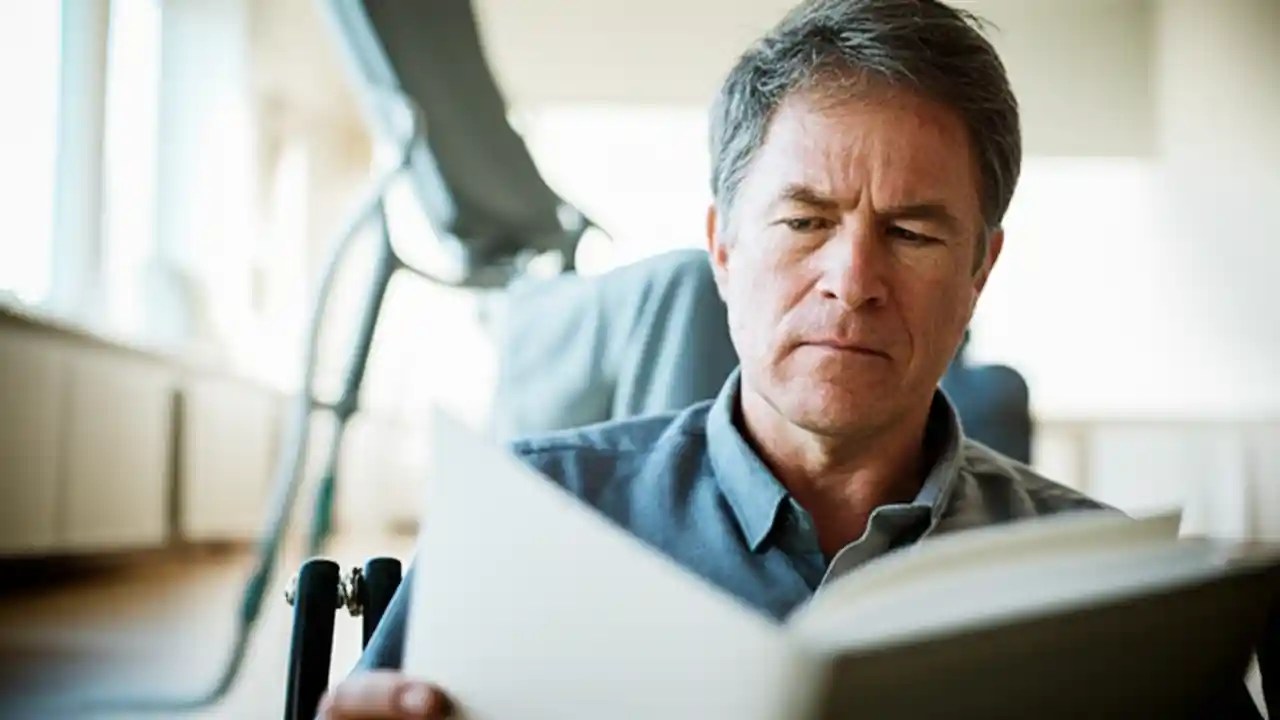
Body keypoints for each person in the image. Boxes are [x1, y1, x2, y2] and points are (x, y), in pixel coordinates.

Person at [318, 0, 1260, 717]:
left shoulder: (1113, 596)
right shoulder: (530, 519)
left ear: (979, 271)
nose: (852, 281)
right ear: (723, 246)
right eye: (805, 221)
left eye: (914, 233)